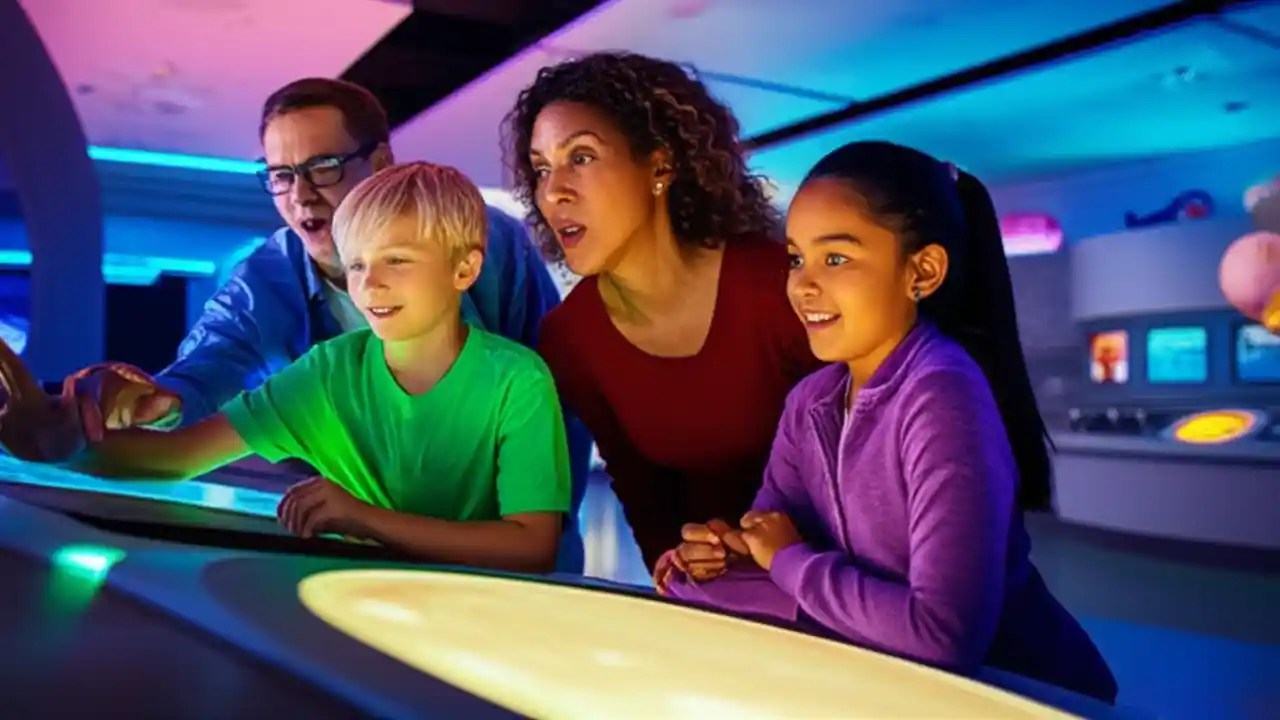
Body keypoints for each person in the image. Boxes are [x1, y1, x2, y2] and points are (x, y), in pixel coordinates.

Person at [58, 78, 587, 571]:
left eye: (324, 166)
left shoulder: (491, 257)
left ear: (380, 161)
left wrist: (538, 533)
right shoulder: (302, 338)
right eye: (281, 176)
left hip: (506, 562)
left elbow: (559, 406)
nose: (301, 194)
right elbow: (201, 377)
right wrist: (150, 404)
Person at [655, 141, 1118, 703]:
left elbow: (941, 633)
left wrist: (784, 558)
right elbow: (774, 543)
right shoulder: (811, 403)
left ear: (921, 271)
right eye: (797, 258)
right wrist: (715, 558)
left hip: (1021, 698)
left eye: (837, 258)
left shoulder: (942, 392)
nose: (802, 285)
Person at [503, 52, 823, 570]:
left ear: (660, 165)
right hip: (720, 600)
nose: (553, 191)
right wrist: (685, 567)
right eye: (541, 169)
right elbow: (648, 510)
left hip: (840, 585)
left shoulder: (776, 286)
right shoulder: (570, 337)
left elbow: (864, 472)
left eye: (580, 157)